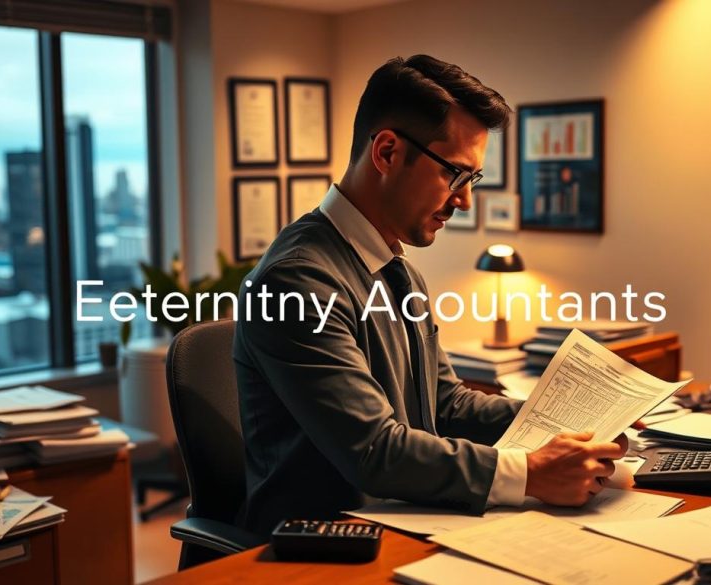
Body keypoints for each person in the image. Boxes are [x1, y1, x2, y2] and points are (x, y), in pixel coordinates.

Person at [233, 55, 626, 537]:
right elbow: (375, 451)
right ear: (387, 153)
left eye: (471, 180)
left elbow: (445, 406)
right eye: (454, 175)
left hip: (410, 520)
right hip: (326, 547)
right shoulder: (296, 282)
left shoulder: (398, 273)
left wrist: (577, 420)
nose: (464, 200)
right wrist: (532, 473)